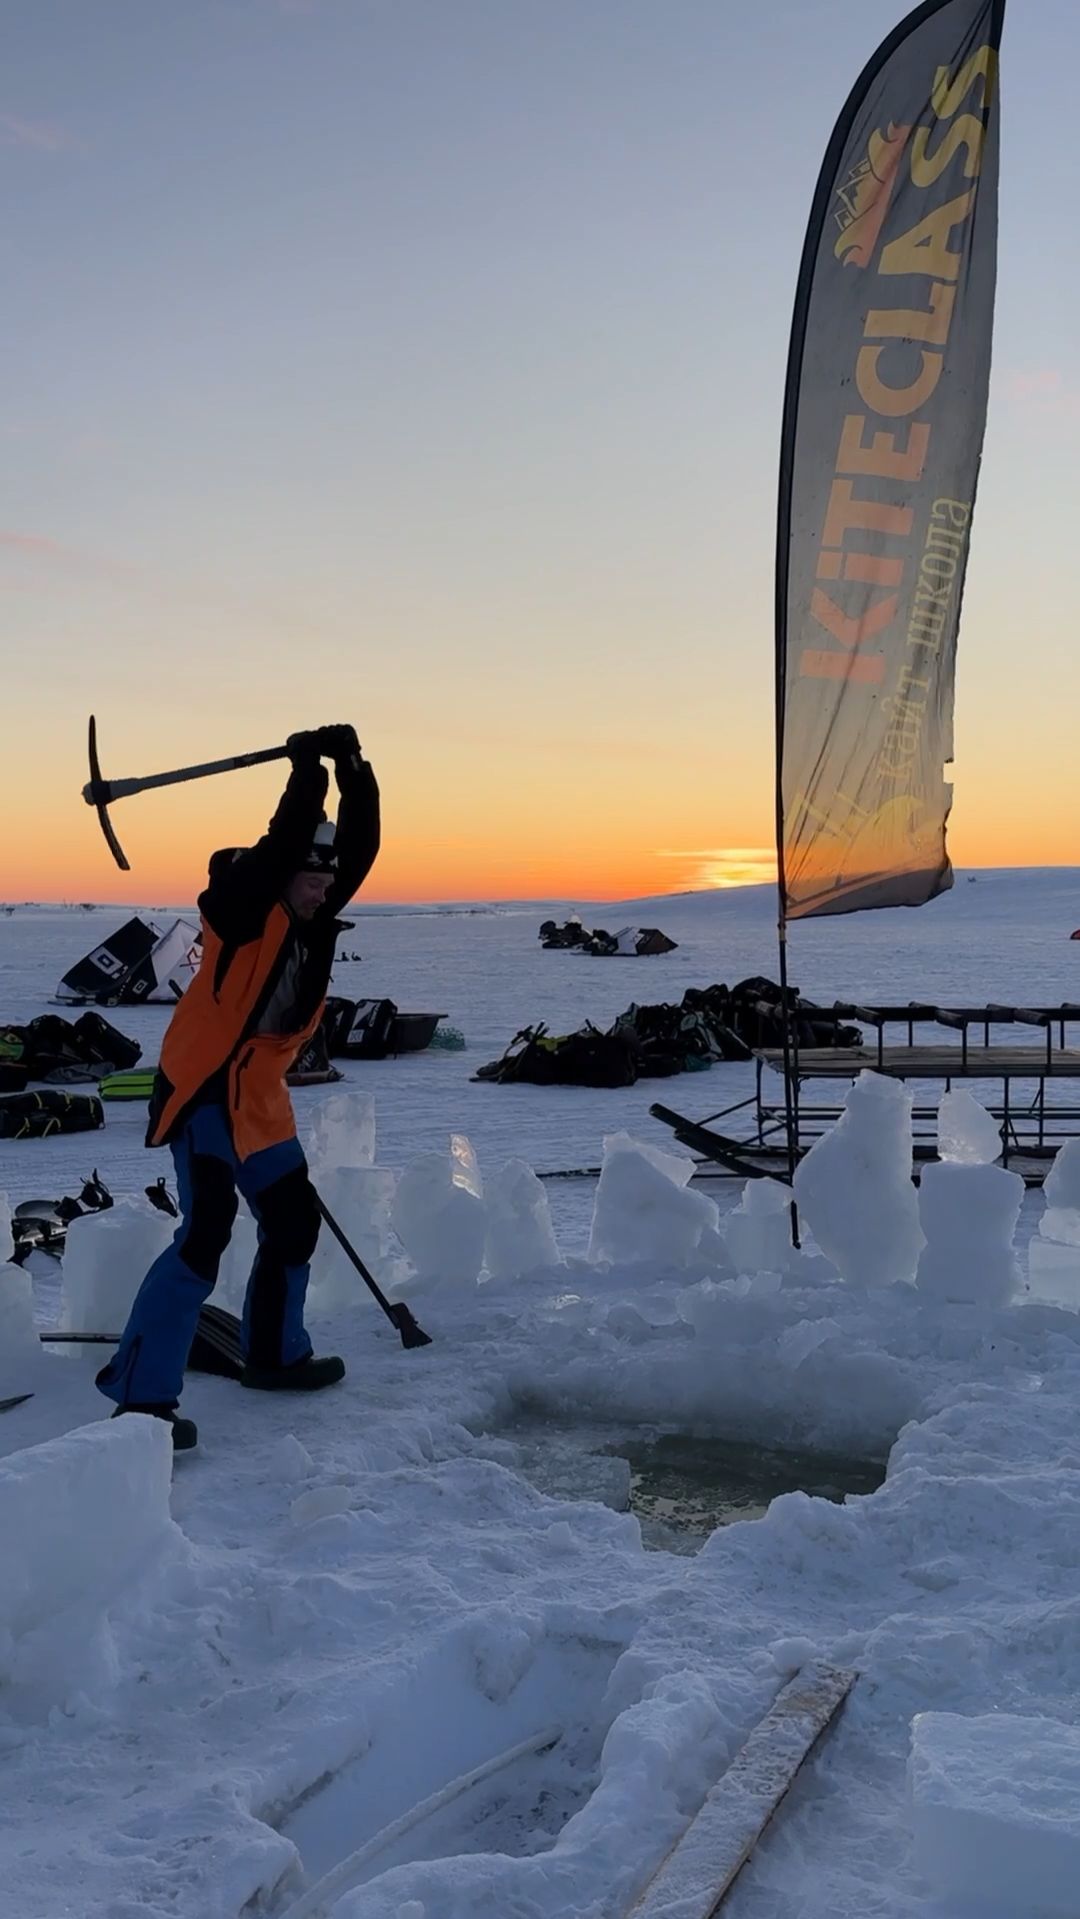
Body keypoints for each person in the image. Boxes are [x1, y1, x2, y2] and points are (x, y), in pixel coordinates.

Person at [96, 723, 380, 1450]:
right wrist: (306, 773)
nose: (325, 893)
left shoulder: (312, 917)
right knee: (206, 1232)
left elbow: (362, 845)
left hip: (258, 1098)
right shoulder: (240, 911)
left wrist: (352, 769)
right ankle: (142, 1401)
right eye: (314, 881)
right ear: (285, 875)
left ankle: (275, 1355)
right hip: (202, 1093)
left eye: (326, 882)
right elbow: (282, 846)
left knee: (291, 1223)